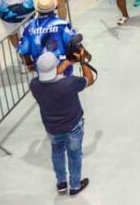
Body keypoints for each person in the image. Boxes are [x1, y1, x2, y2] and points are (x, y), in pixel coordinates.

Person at [29, 50, 93, 196]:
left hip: (52, 127)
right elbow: (89, 79)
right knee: (74, 155)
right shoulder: (69, 83)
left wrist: (67, 63)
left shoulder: (34, 85)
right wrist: (83, 61)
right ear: (56, 65)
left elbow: (50, 78)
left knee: (57, 153)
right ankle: (75, 185)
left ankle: (61, 183)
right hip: (73, 126)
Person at [19, 0, 77, 74]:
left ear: (38, 10)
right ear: (55, 8)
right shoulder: (62, 25)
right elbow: (74, 43)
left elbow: (24, 50)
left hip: (41, 71)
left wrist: (29, 63)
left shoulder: (30, 27)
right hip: (63, 70)